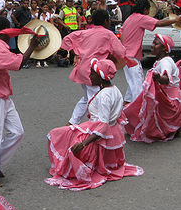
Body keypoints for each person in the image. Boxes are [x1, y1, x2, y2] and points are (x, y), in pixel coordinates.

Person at [45, 59, 144, 190]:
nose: (90, 76)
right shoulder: (115, 90)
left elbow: (103, 126)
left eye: (92, 73)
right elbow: (117, 117)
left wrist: (83, 144)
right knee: (68, 133)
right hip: (111, 132)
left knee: (57, 134)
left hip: (99, 132)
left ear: (101, 76)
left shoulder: (104, 96)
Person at [0, 16, 40, 187]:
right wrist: (32, 46)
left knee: (17, 132)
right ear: (5, 31)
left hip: (0, 95)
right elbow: (18, 63)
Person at [123, 34, 181, 143]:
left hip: (169, 99)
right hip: (168, 96)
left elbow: (166, 78)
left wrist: (158, 77)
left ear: (164, 49)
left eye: (155, 44)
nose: (152, 45)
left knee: (131, 111)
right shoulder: (163, 60)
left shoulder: (165, 62)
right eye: (153, 43)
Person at [60, 9, 126, 125]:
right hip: (95, 72)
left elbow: (66, 40)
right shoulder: (108, 34)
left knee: (86, 98)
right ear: (106, 21)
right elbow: (121, 52)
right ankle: (94, 127)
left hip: (82, 69)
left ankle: (73, 122)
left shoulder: (84, 32)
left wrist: (77, 52)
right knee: (95, 100)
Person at [119, 0, 181, 104]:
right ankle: (139, 110)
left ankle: (127, 108)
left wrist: (125, 46)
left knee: (132, 86)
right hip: (132, 57)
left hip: (127, 55)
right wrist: (175, 20)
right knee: (138, 86)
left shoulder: (130, 18)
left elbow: (121, 32)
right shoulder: (141, 18)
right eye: (148, 10)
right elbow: (159, 23)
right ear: (145, 9)